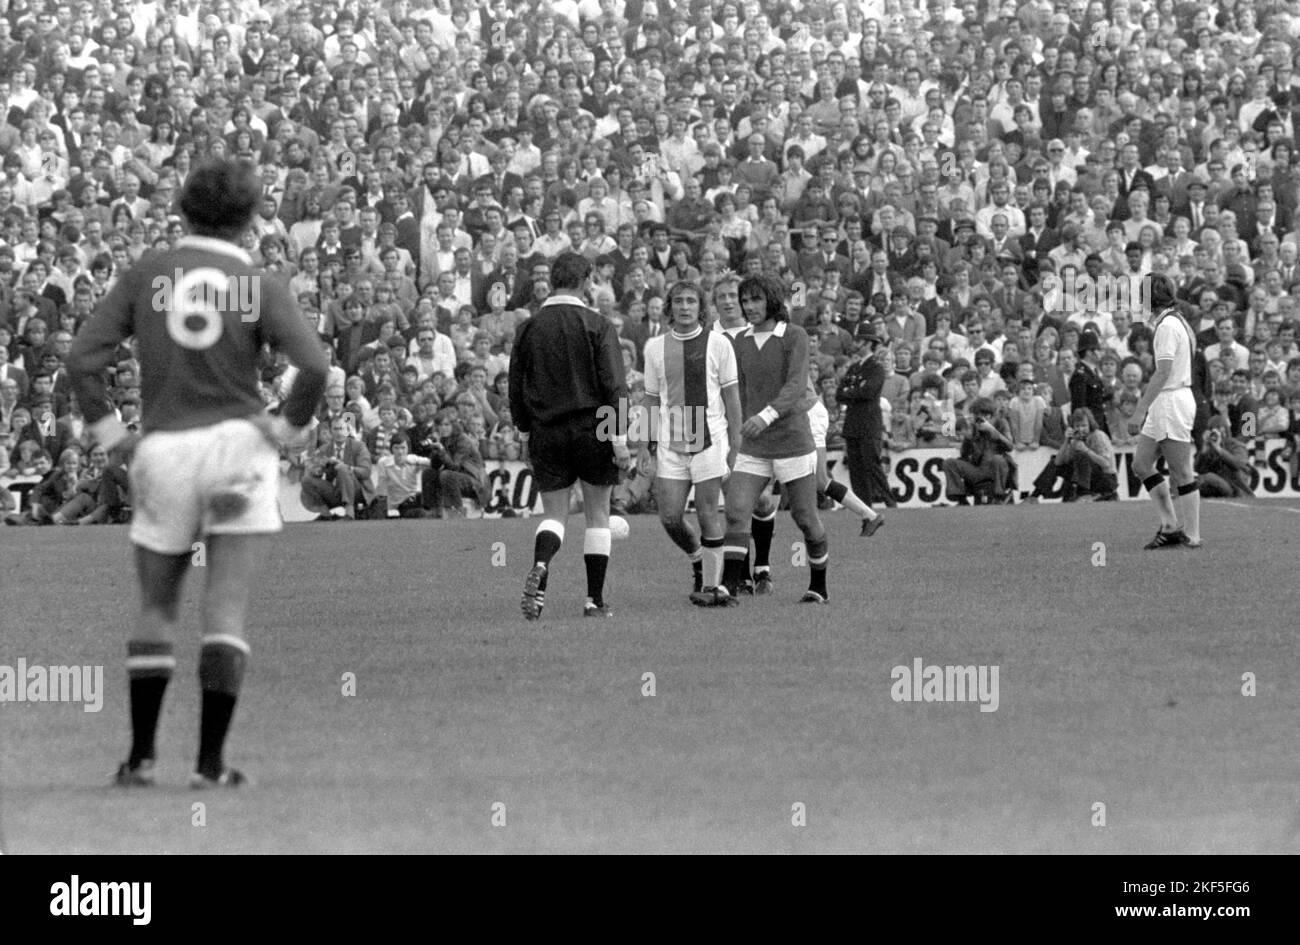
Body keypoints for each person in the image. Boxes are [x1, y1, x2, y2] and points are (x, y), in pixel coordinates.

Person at [68, 158, 329, 789]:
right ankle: (210, 766)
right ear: (248, 218)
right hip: (239, 446)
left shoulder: (147, 275)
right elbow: (315, 367)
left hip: (165, 448)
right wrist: (287, 428)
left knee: (157, 606)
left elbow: (81, 360)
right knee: (226, 609)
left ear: (181, 209)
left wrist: (110, 435)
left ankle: (141, 759)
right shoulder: (257, 282)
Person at [510, 252, 633, 620]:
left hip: (547, 431)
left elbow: (516, 386)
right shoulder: (597, 324)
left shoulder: (529, 328)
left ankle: (542, 565)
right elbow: (615, 386)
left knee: (553, 516)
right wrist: (619, 438)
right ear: (585, 280)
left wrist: (524, 430)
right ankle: (594, 600)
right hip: (592, 430)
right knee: (597, 517)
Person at [720, 274, 830, 604]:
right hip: (754, 444)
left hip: (791, 440)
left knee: (806, 520)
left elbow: (796, 387)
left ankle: (819, 587)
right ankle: (727, 588)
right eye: (745, 300)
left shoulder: (794, 336)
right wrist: (733, 428)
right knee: (737, 511)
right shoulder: (738, 341)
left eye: (755, 299)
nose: (748, 306)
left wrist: (764, 416)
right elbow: (737, 391)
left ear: (771, 300)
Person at [641, 280, 743, 607]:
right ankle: (698, 558)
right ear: (670, 308)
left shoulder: (719, 344)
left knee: (707, 512)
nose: (685, 307)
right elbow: (651, 400)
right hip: (671, 443)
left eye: (691, 301)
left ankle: (713, 588)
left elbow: (732, 399)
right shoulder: (654, 347)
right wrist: (644, 445)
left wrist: (736, 442)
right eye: (679, 301)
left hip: (709, 438)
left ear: (701, 307)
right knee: (669, 516)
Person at [1128, 275, 1203, 549]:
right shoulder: (1172, 322)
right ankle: (1170, 526)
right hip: (1166, 399)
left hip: (1172, 399)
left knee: (1182, 470)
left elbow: (1163, 372)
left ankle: (1193, 534)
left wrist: (1139, 410)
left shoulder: (1168, 326)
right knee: (1141, 464)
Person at [824, 324, 888, 534]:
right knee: (857, 473)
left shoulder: (876, 367)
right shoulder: (854, 367)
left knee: (873, 467)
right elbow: (840, 393)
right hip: (854, 425)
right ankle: (866, 515)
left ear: (868, 343)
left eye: (859, 340)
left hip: (869, 424)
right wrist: (854, 391)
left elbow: (868, 392)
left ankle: (891, 503)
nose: (855, 344)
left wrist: (852, 391)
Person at [1027, 408, 1120, 502]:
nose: (1080, 429)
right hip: (1087, 478)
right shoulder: (1076, 438)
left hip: (1106, 479)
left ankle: (1085, 494)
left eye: (1084, 425)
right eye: (1077, 426)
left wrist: (1086, 450)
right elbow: (1058, 462)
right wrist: (1066, 441)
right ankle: (1034, 496)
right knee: (1053, 462)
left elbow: (1106, 464)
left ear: (1090, 424)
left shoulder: (1098, 436)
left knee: (1081, 456)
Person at [942, 397, 1014, 505]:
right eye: (979, 416)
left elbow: (1010, 446)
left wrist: (992, 430)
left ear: (991, 415)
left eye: (986, 415)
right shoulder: (973, 427)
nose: (983, 419)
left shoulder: (1001, 423)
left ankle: (999, 497)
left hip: (996, 469)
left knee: (997, 459)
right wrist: (969, 439)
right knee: (949, 463)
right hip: (977, 469)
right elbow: (965, 456)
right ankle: (961, 500)